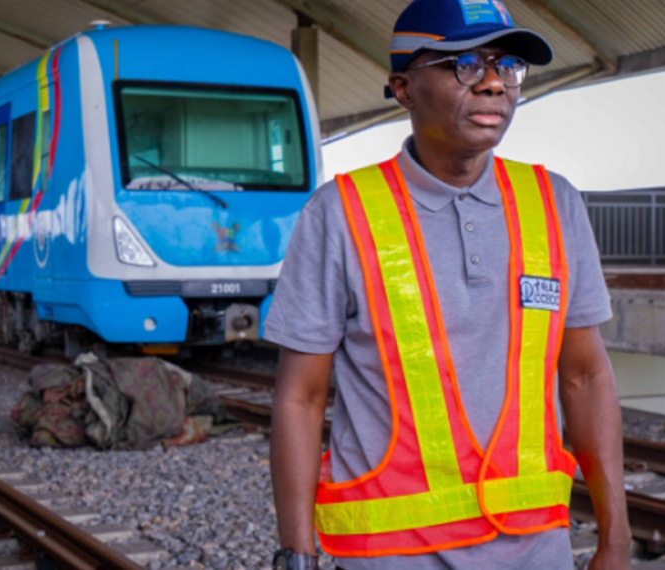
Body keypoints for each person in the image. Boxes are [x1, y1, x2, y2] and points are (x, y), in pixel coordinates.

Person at [264, 1, 630, 569]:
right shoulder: (340, 214)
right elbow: (300, 396)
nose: (492, 84)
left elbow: (584, 375)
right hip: (392, 557)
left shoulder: (555, 204)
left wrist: (615, 538)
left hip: (539, 553)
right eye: (464, 63)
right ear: (404, 88)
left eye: (507, 65)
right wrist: (296, 554)